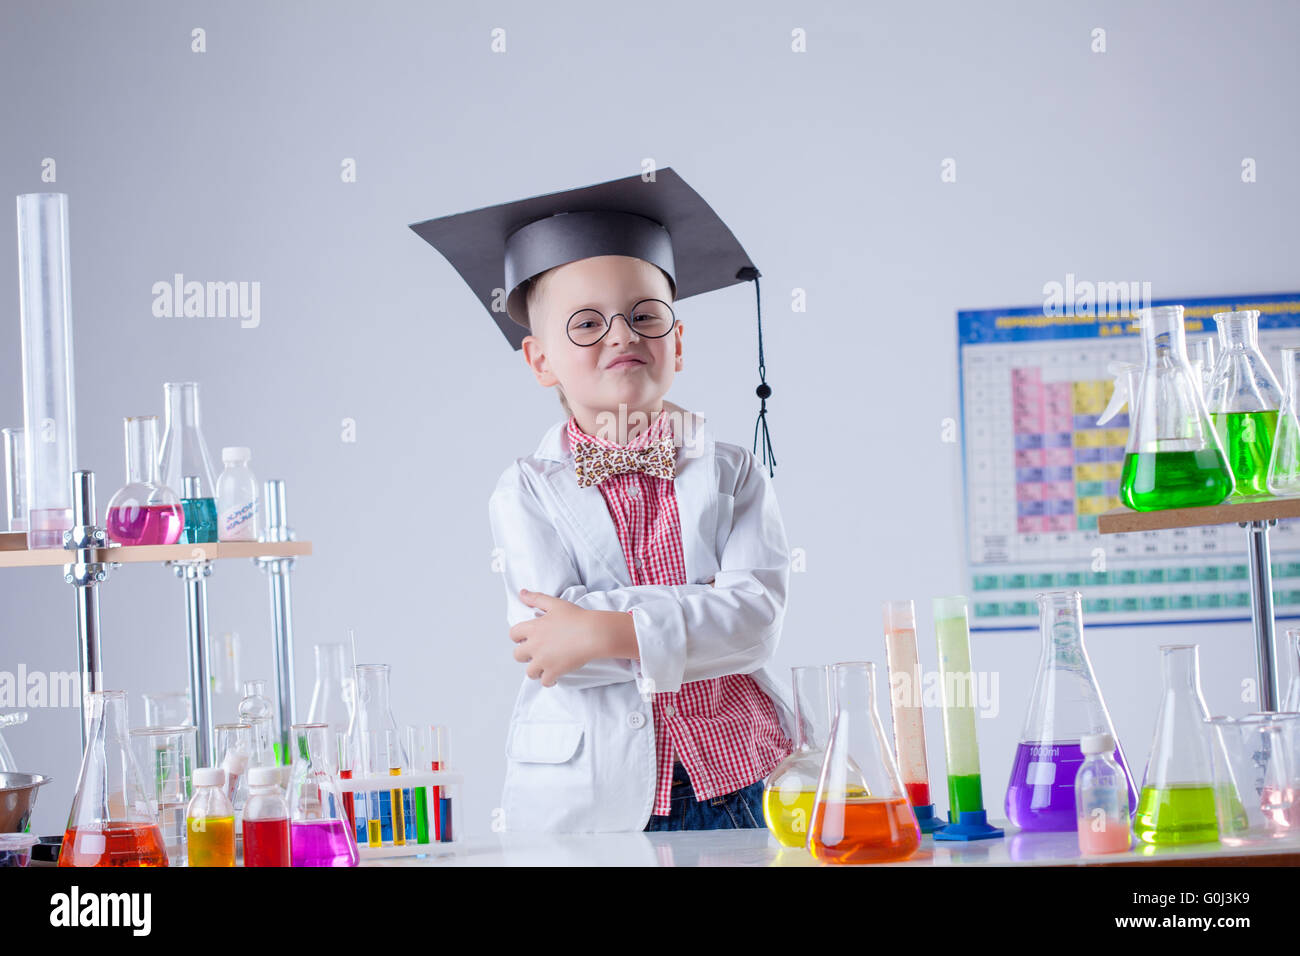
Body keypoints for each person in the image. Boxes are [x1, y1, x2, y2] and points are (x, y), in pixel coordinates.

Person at [411, 167, 794, 832]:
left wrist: (605, 628)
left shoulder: (733, 472)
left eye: (644, 316)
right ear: (540, 361)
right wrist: (700, 604)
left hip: (746, 779)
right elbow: (553, 651)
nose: (620, 335)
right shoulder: (526, 491)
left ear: (676, 341)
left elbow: (756, 624)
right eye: (585, 324)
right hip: (601, 797)